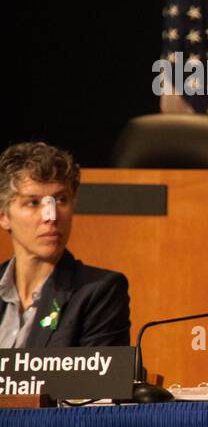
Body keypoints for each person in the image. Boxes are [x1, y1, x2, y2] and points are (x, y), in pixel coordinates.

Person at [0, 141, 130, 348]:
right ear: (4, 216)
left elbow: (95, 380)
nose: (50, 216)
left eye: (61, 200)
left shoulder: (98, 293)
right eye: (33, 203)